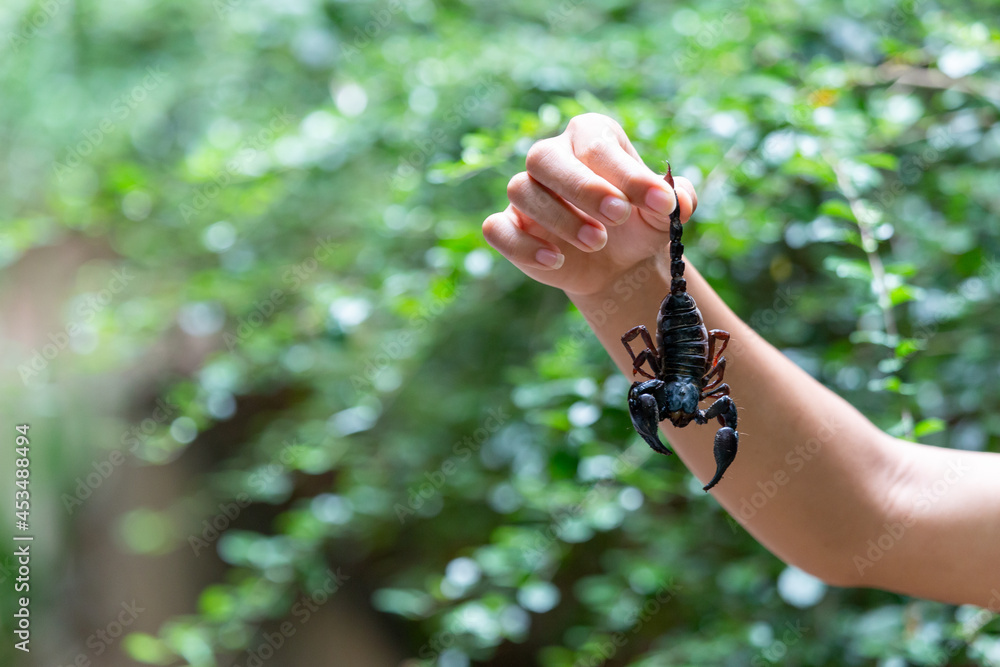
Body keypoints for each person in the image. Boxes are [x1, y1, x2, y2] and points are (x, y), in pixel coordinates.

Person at [482, 112, 1000, 609]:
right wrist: (624, 278)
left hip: (678, 351)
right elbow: (877, 511)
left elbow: (878, 512)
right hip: (679, 334)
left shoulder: (685, 388)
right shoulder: (706, 388)